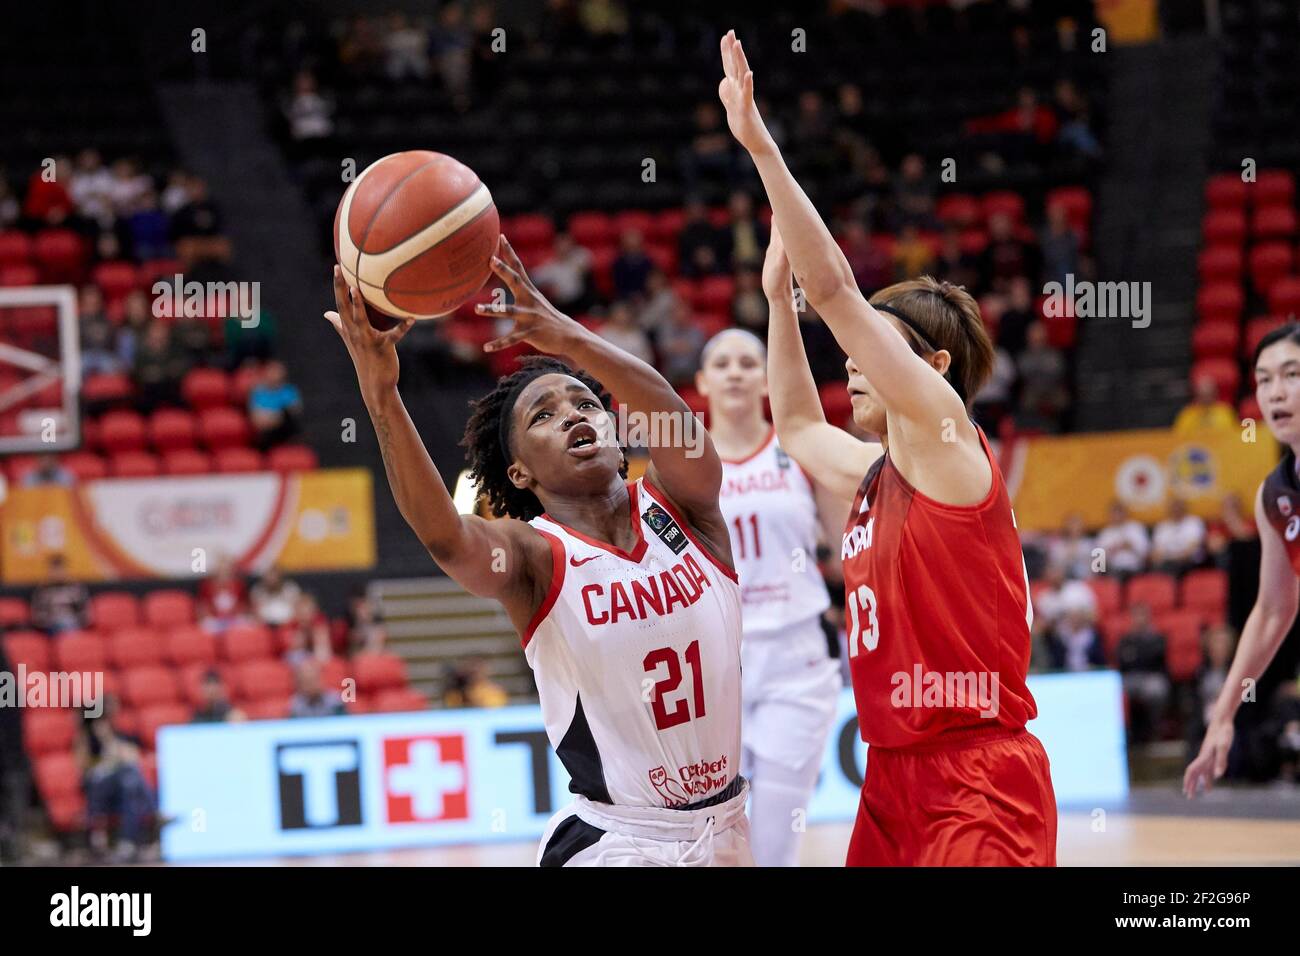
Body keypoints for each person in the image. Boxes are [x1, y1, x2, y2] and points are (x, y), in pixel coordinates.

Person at [719, 31, 1055, 866]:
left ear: (932, 367)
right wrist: (777, 305)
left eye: (878, 348)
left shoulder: (946, 439)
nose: (854, 365)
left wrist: (762, 148)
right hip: (892, 776)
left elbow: (833, 285)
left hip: (977, 776)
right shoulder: (877, 477)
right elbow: (795, 426)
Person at [324, 237, 751, 867]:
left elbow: (674, 422)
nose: (575, 414)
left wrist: (571, 338)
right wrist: (383, 397)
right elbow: (447, 536)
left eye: (585, 403)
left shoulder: (685, 510)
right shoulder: (533, 557)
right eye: (544, 416)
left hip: (729, 828)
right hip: (621, 843)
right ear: (520, 474)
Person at [697, 327, 846, 867]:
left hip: (795, 655)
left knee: (777, 839)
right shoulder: (683, 463)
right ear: (701, 382)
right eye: (722, 363)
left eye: (747, 362)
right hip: (713, 663)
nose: (735, 371)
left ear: (765, 378)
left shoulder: (801, 448)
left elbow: (851, 546)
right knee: (715, 837)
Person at [1186, 322, 1300, 796]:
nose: (1275, 392)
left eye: (1291, 374)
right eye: (1263, 380)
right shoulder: (1275, 496)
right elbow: (1274, 609)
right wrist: (1224, 714)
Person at [75, 696, 158, 862]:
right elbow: (83, 765)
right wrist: (105, 743)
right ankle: (155, 813)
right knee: (130, 775)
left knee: (130, 786)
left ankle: (127, 844)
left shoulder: (115, 731)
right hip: (98, 783)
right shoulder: (87, 733)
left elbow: (130, 753)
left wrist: (112, 744)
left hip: (118, 784)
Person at [1115, 603, 1171, 743]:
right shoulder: (1125, 639)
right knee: (1117, 690)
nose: (1139, 619)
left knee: (1155, 690)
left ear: (1148, 618)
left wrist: (1136, 656)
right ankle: (1126, 733)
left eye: (1142, 616)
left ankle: (1154, 728)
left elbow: (1156, 660)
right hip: (1130, 678)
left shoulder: (1157, 638)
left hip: (1151, 677)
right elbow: (1122, 662)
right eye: (1136, 616)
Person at [248, 360, 304, 451]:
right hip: (266, 432)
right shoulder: (258, 392)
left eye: (278, 372)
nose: (275, 375)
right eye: (272, 372)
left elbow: (295, 410)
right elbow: (257, 419)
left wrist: (273, 416)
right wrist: (277, 417)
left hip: (286, 429)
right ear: (266, 373)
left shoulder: (289, 390)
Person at [31, 555, 88, 635]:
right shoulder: (43, 590)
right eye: (55, 570)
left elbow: (85, 612)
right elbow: (38, 616)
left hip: (74, 623)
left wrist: (75, 619)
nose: (58, 573)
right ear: (49, 572)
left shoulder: (75, 588)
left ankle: (70, 642)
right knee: (65, 623)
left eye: (61, 570)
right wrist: (52, 620)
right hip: (51, 626)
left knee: (67, 622)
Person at [1094, 500, 1150, 576]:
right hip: (1113, 572)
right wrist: (1110, 551)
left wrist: (1131, 546)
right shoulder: (1105, 533)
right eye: (1114, 513)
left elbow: (1146, 553)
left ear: (1125, 513)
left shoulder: (1136, 528)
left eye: (1119, 512)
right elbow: (1098, 562)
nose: (1117, 516)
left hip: (1135, 570)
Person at [1151, 497, 1206, 573]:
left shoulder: (1194, 522)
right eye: (1173, 507)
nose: (1175, 510)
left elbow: (1192, 548)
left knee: (1175, 567)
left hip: (1190, 561)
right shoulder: (1162, 526)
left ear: (1184, 508)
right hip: (1168, 562)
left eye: (1178, 507)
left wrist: (1175, 557)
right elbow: (1157, 552)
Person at [1173, 375, 1237, 435]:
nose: (1206, 398)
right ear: (1197, 395)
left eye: (1209, 395)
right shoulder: (1188, 414)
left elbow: (1232, 433)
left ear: (1215, 394)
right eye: (1203, 395)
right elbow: (1179, 436)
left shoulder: (1225, 412)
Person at [443, 659, 509, 708]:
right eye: (471, 671)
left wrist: (472, 700)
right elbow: (452, 710)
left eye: (477, 671)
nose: (474, 675)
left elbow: (494, 710)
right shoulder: (457, 693)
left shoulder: (494, 691)